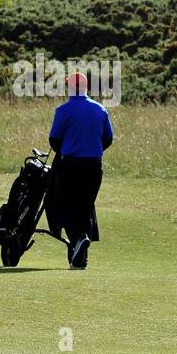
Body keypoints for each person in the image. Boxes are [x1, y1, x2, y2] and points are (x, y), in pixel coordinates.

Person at [48, 71, 114, 269]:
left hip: (71, 164)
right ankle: (80, 259)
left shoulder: (64, 110)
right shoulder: (100, 109)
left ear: (69, 87)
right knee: (85, 206)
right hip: (94, 165)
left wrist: (65, 152)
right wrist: (93, 150)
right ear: (86, 88)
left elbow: (54, 139)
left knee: (67, 205)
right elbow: (108, 138)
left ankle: (80, 239)